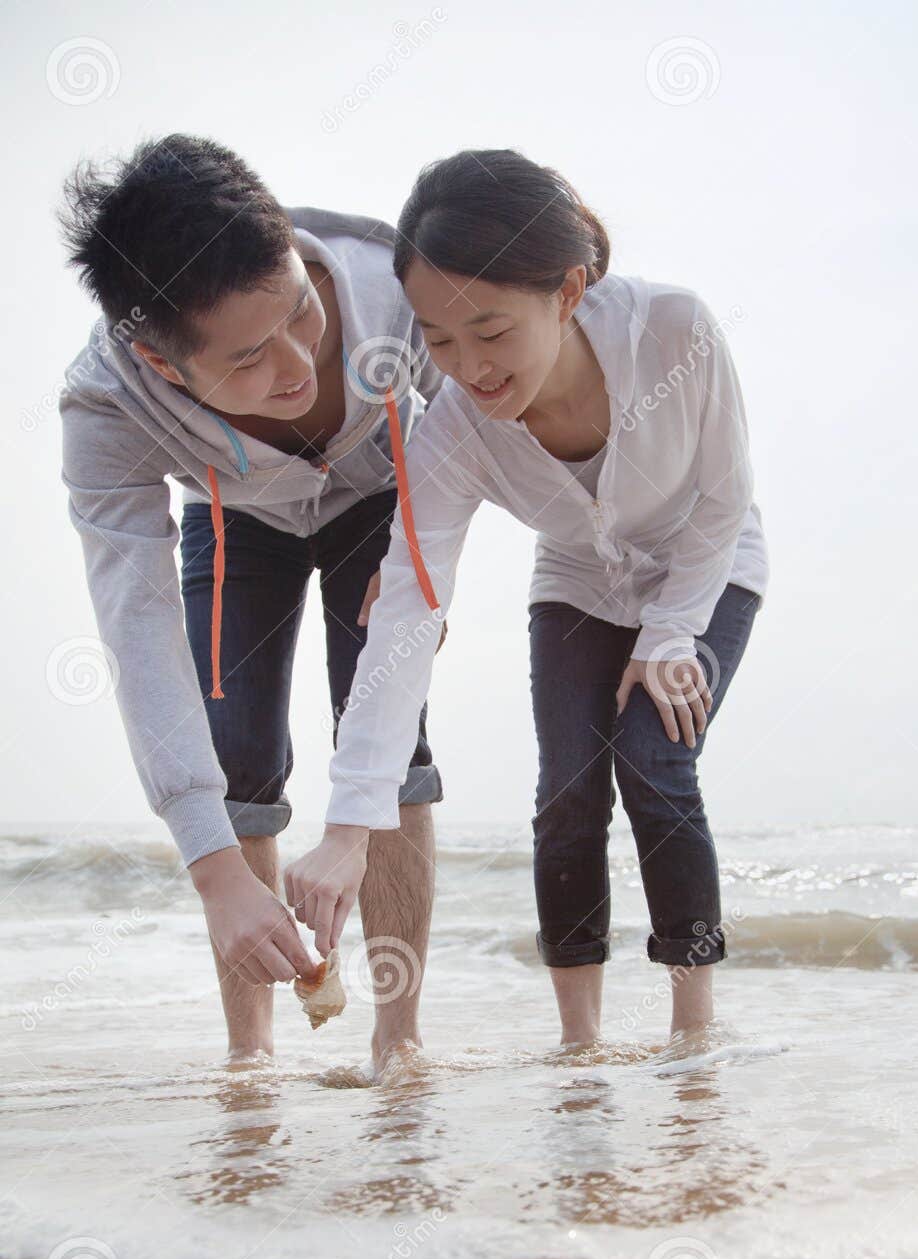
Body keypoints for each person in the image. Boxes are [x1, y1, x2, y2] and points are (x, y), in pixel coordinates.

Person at [286, 149, 769, 1051]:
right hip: (578, 579)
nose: (468, 366)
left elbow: (721, 495)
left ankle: (693, 1037)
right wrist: (348, 825)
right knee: (569, 792)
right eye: (436, 337)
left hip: (706, 566)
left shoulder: (675, 330)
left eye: (492, 332)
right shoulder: (452, 432)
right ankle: (579, 1044)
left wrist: (668, 633)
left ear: (568, 290)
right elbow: (406, 612)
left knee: (655, 765)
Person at [57, 134, 446, 1068]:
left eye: (300, 316)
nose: (296, 368)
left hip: (377, 497)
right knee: (231, 767)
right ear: (161, 365)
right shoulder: (104, 407)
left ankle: (399, 1043)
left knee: (387, 739)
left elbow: (482, 444)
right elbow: (138, 631)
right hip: (235, 522)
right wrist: (214, 873)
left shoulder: (404, 293)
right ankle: (252, 1061)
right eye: (246, 360)